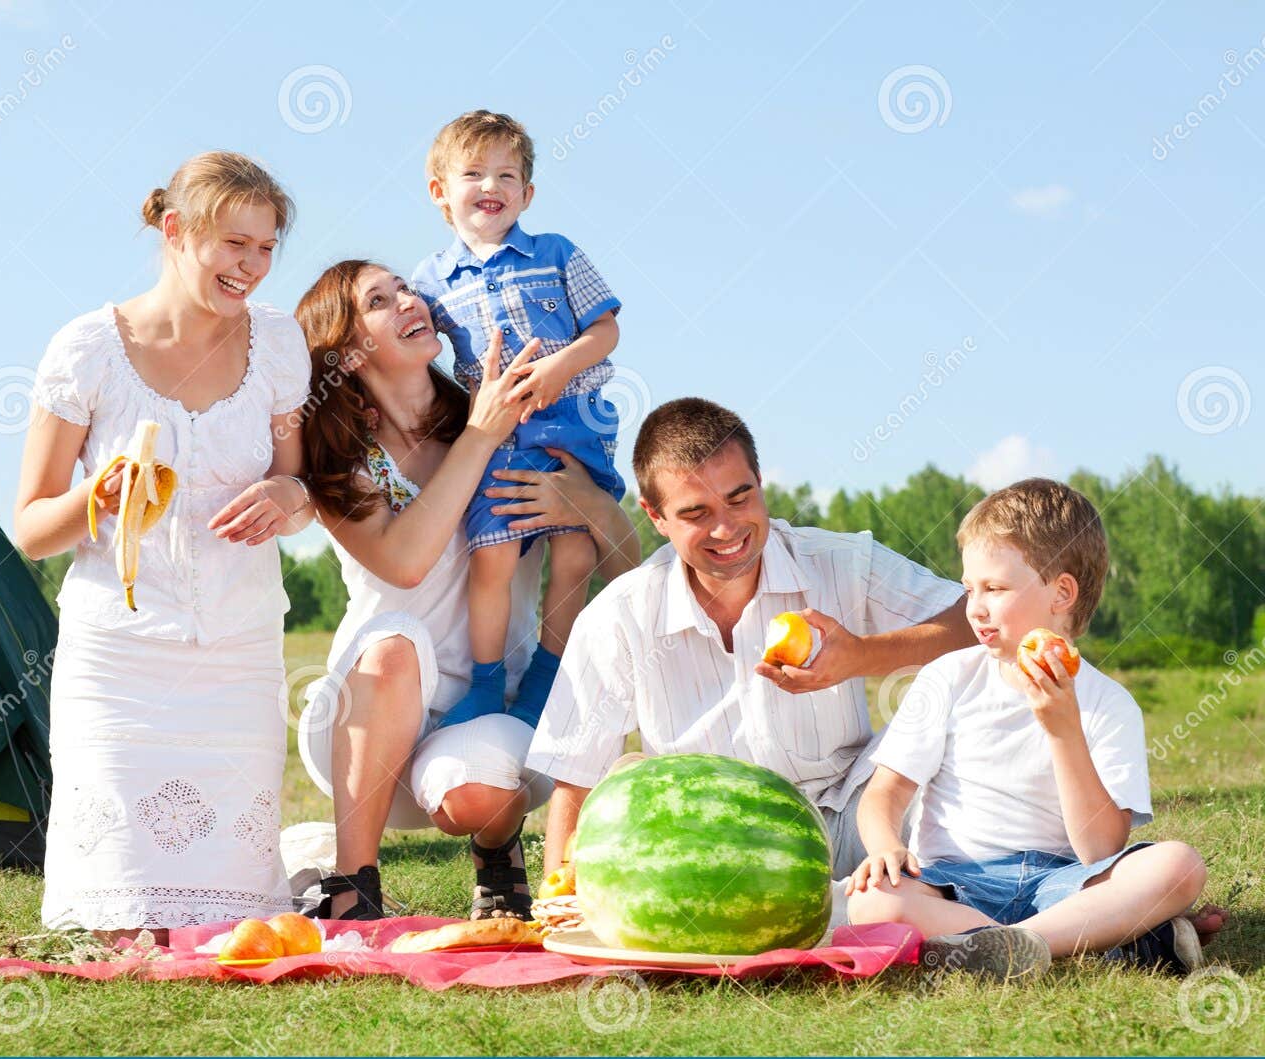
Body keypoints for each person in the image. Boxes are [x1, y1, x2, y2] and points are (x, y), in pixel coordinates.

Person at [15, 152, 315, 940]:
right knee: (121, 928)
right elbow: (31, 526)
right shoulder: (87, 349)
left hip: (239, 643)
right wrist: (98, 496)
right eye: (235, 244)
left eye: (265, 248)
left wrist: (288, 497)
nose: (251, 266)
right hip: (119, 654)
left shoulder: (280, 346)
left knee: (236, 932)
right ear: (177, 230)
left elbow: (301, 489)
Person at [293, 260, 640, 920]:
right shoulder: (341, 454)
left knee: (473, 795)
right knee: (396, 641)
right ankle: (353, 881)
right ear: (344, 350)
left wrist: (589, 502)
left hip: (494, 707)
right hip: (369, 727)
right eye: (378, 300)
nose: (407, 300)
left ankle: (496, 850)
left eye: (404, 288)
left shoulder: (516, 420)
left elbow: (627, 570)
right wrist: (481, 434)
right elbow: (407, 562)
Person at [529, 398, 975, 896]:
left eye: (739, 498)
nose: (726, 529)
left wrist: (860, 657)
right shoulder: (619, 615)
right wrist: (558, 907)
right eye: (696, 513)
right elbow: (577, 778)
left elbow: (978, 622)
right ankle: (880, 907)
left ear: (760, 482)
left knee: (952, 721)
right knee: (626, 778)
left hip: (855, 817)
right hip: (712, 855)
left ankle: (977, 892)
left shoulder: (843, 562)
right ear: (656, 516)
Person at [846, 479, 1214, 980]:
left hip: (1062, 880)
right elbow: (884, 794)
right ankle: (1107, 939)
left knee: (1178, 866)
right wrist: (886, 844)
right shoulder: (947, 678)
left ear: (1061, 593)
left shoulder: (1109, 704)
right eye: (969, 588)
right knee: (872, 902)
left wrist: (1063, 731)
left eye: (995, 589)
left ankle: (1010, 944)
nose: (975, 607)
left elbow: (1101, 850)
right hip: (953, 880)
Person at [409, 110, 628, 731]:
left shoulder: (557, 252)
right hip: (498, 438)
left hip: (573, 426)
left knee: (576, 551)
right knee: (493, 559)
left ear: (527, 194)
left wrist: (564, 366)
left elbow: (605, 327)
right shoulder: (430, 281)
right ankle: (483, 683)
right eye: (473, 172)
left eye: (507, 175)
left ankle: (548, 674)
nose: (491, 186)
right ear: (440, 193)